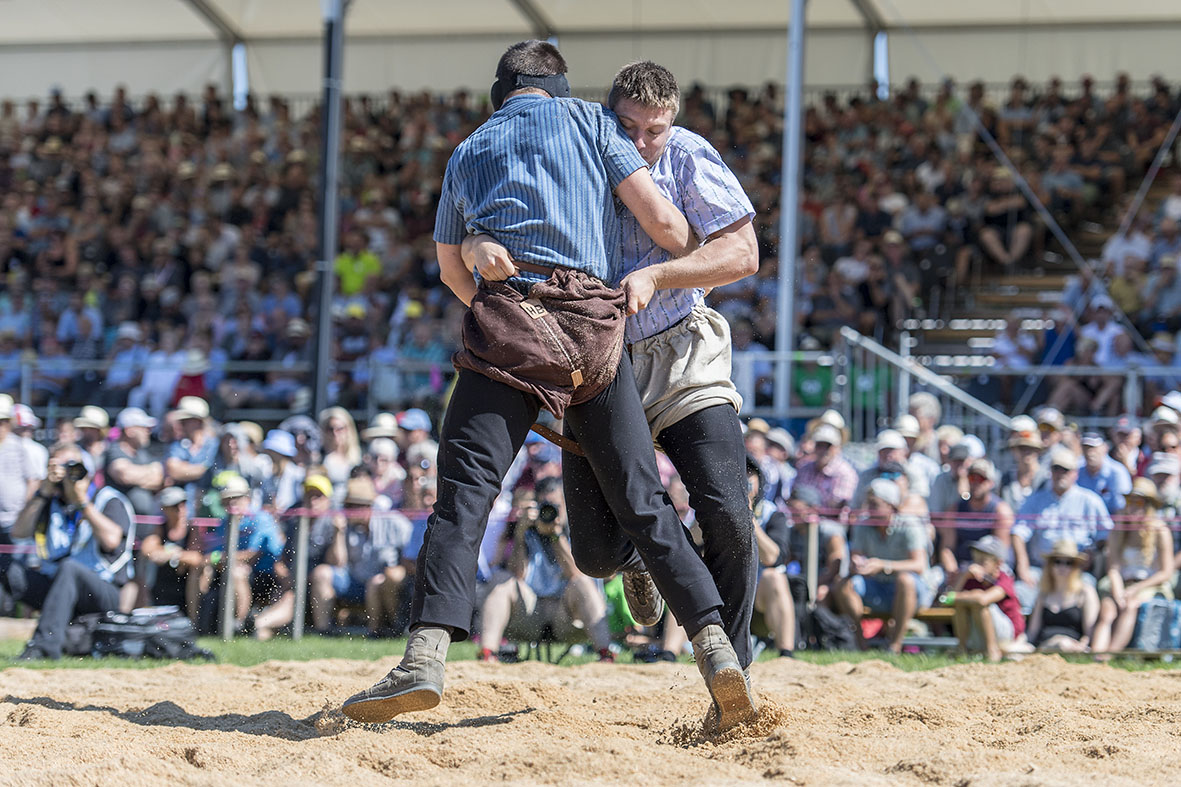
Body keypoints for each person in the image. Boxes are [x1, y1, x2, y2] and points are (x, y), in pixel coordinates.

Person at [342, 41, 753, 730]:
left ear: (499, 94)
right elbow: (664, 224)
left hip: (530, 332)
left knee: (464, 496)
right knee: (642, 502)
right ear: (564, 89)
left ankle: (425, 656)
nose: (641, 137)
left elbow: (450, 271)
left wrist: (490, 269)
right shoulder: (591, 124)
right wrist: (663, 251)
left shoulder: (469, 148)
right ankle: (715, 650)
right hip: (598, 335)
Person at [467, 59, 760, 675]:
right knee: (596, 554)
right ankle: (643, 558)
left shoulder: (689, 155)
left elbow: (743, 253)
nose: (643, 143)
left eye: (656, 130)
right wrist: (475, 243)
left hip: (683, 352)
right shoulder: (578, 151)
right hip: (599, 360)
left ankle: (735, 674)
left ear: (672, 121)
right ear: (607, 116)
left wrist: (659, 274)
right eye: (629, 127)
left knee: (728, 512)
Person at [5, 441, 135, 659]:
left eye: (73, 466)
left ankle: (44, 647)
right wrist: (43, 491)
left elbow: (112, 541)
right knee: (5, 566)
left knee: (70, 568)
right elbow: (18, 532)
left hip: (103, 591)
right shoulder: (50, 500)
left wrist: (82, 501)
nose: (67, 473)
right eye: (60, 467)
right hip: (58, 584)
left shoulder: (107, 498)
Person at [476, 478, 612, 662]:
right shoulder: (529, 531)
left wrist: (556, 535)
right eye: (544, 506)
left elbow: (575, 574)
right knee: (501, 579)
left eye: (555, 506)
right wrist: (520, 533)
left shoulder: (579, 530)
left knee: (582, 583)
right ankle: (487, 654)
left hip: (569, 618)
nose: (550, 512)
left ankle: (606, 655)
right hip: (530, 615)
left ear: (567, 504)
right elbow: (517, 574)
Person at [834, 478, 934, 653]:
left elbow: (919, 565)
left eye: (874, 504)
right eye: (868, 503)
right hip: (876, 586)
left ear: (891, 505)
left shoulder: (910, 524)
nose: (869, 509)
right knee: (843, 584)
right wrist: (858, 565)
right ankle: (860, 644)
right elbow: (855, 559)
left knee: (905, 581)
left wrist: (883, 566)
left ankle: (895, 645)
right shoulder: (863, 524)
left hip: (912, 590)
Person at [1012, 446, 1112, 611]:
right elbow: (1018, 533)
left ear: (1075, 473)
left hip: (1076, 570)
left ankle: (1084, 628)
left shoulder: (1090, 501)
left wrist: (1093, 553)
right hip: (1042, 569)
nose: (1060, 474)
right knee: (1018, 592)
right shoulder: (1035, 500)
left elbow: (1107, 536)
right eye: (1056, 469)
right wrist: (1022, 566)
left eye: (1065, 470)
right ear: (1050, 472)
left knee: (1088, 591)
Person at [309, 477, 406, 637]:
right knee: (321, 573)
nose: (347, 510)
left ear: (366, 506)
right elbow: (337, 563)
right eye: (347, 506)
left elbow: (409, 555)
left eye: (351, 506)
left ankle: (376, 632)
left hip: (381, 583)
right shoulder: (344, 525)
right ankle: (323, 631)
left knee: (375, 582)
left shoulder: (394, 522)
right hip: (353, 581)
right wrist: (338, 533)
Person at [1090, 478, 1175, 654]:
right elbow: (1113, 568)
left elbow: (1166, 572)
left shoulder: (1161, 531)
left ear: (1149, 505)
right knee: (1107, 609)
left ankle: (1110, 655)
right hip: (1122, 584)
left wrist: (1135, 589)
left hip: (1150, 586)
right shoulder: (1118, 530)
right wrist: (1119, 592)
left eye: (1139, 502)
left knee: (1131, 606)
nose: (1133, 507)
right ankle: (1095, 655)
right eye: (1130, 501)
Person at [947, 536, 1024, 662]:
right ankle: (962, 649)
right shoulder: (970, 578)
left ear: (998, 563)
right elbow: (946, 600)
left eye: (983, 561)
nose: (977, 565)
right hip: (978, 630)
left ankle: (991, 650)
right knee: (962, 604)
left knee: (979, 604)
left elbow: (983, 600)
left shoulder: (1004, 579)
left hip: (1006, 635)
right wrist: (963, 576)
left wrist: (964, 596)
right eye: (975, 559)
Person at [748, 457, 796, 658]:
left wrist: (748, 517)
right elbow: (694, 543)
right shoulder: (711, 507)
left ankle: (786, 653)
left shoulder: (772, 514)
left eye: (749, 475)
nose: (743, 481)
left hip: (759, 600)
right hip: (720, 595)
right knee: (692, 577)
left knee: (774, 576)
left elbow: (773, 559)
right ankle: (668, 652)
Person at [1025, 539, 1100, 652]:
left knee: (1062, 644)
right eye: (1057, 562)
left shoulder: (1085, 592)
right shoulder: (1043, 593)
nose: (1062, 567)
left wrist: (1082, 646)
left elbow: (1089, 634)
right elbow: (1032, 632)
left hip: (1071, 646)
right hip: (1043, 645)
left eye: (1068, 563)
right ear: (1050, 565)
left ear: (1075, 567)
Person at [139, 486, 203, 613]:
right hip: (161, 588)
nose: (180, 509)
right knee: (145, 563)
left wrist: (172, 555)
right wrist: (173, 554)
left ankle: (194, 620)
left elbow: (197, 559)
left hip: (186, 590)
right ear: (165, 508)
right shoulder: (160, 528)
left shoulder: (192, 529)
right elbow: (147, 550)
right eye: (175, 506)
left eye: (183, 504)